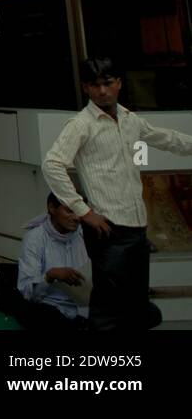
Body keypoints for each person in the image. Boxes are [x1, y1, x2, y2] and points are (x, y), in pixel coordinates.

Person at [43, 56, 192, 330]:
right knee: (109, 307)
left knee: (135, 302)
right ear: (86, 88)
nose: (102, 91)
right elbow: (52, 165)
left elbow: (166, 138)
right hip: (107, 227)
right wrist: (84, 212)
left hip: (136, 225)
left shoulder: (129, 119)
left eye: (107, 83)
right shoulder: (80, 124)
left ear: (119, 84)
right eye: (95, 85)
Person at [14, 192, 91, 331]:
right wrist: (50, 276)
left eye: (79, 212)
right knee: (34, 314)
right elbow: (27, 293)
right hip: (51, 306)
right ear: (52, 208)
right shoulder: (35, 238)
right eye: (69, 211)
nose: (76, 218)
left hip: (84, 307)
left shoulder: (86, 234)